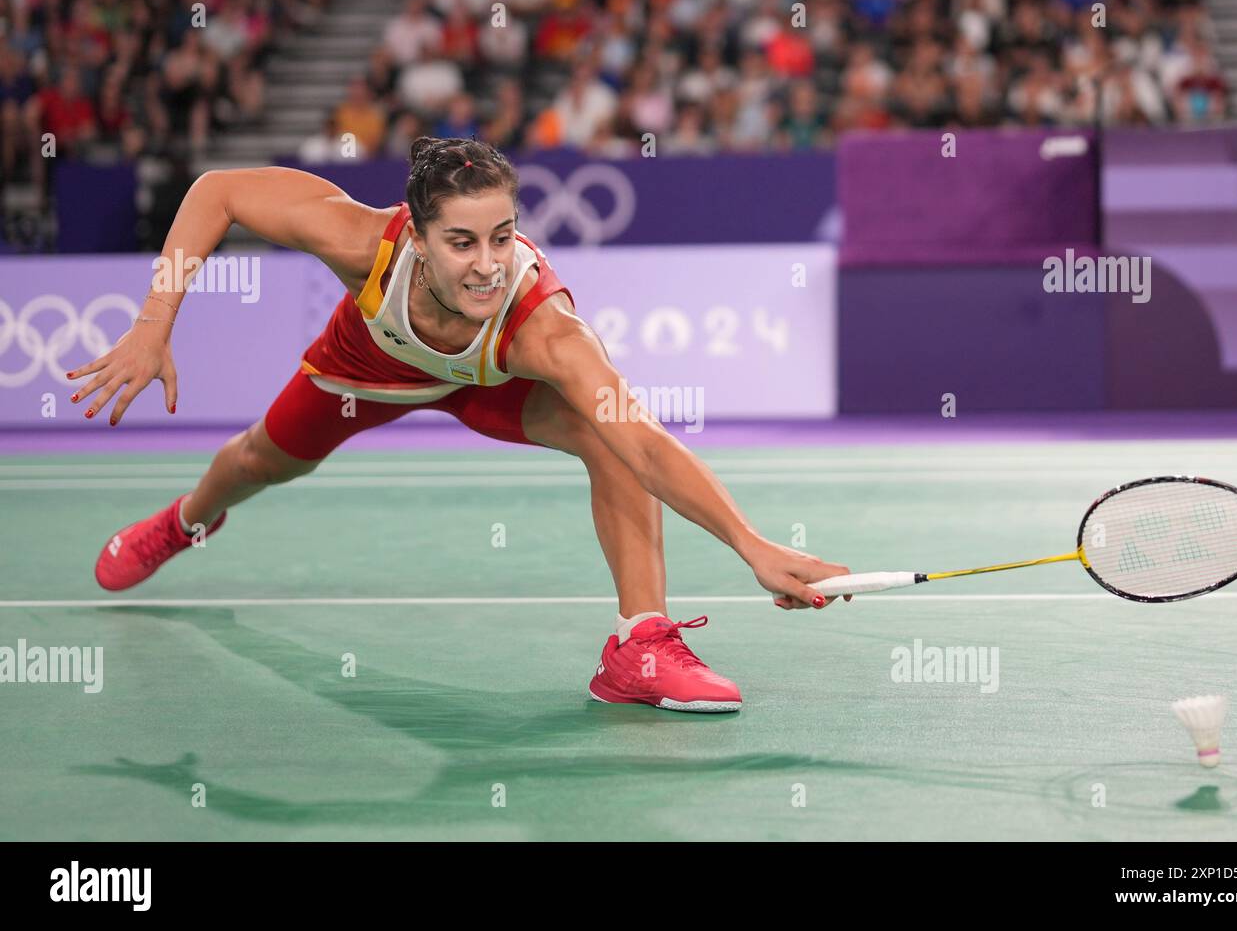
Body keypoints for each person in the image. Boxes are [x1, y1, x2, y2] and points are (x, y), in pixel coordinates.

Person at [68, 137, 850, 712]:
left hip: (492, 381)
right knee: (260, 460)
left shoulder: (548, 329)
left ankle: (639, 645)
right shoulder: (361, 242)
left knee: (603, 430)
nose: (488, 264)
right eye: (463, 241)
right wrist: (153, 323)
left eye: (504, 237)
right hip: (365, 371)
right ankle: (184, 521)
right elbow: (218, 192)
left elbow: (643, 437)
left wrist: (753, 546)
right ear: (415, 235)